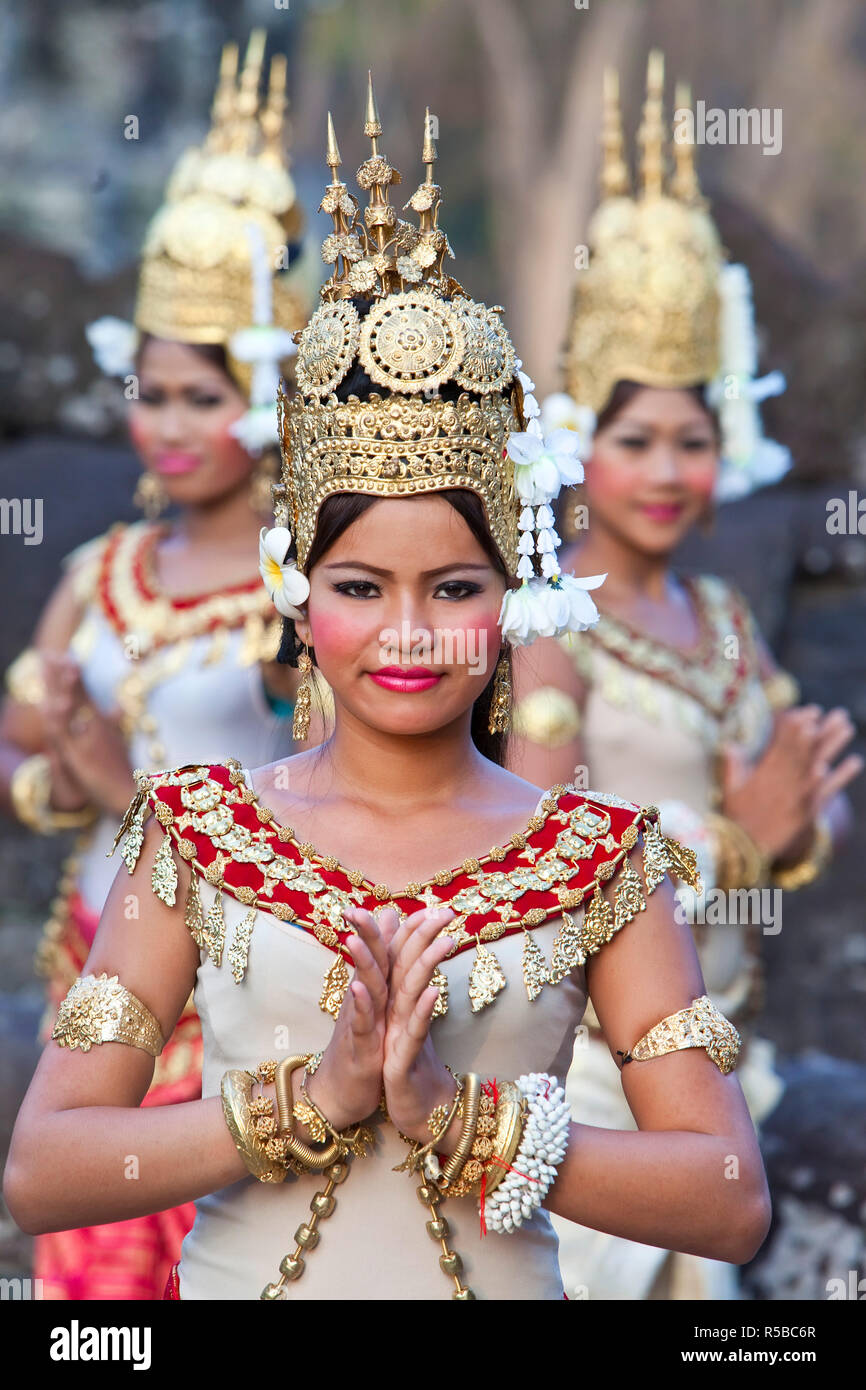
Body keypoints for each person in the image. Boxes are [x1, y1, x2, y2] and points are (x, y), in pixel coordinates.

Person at [4, 82, 771, 1302]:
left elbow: (726, 1195)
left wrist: (461, 1121)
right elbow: (43, 1168)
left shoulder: (596, 860)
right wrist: (314, 1101)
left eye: (456, 588)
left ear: (513, 593)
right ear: (296, 588)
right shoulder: (199, 838)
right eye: (360, 584)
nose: (408, 635)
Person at [508, 53, 862, 1299]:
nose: (665, 469)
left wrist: (793, 816)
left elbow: (807, 801)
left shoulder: (719, 618)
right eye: (635, 438)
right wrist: (737, 832)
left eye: (692, 440)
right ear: (579, 442)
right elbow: (539, 867)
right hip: (594, 1071)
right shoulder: (553, 625)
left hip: (719, 1054)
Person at [0, 30, 323, 1300]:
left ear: (268, 391)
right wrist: (63, 781)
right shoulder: (97, 570)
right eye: (151, 392)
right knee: (85, 1281)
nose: (169, 426)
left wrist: (118, 779)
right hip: (93, 969)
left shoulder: (311, 593)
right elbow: (22, 755)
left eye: (203, 394)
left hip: (245, 993)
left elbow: (330, 797)